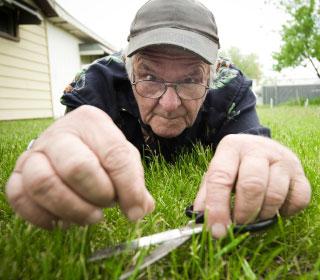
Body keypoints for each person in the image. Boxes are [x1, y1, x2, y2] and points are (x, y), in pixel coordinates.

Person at [6, 0, 311, 238]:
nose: (168, 104)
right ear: (128, 67)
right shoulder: (99, 81)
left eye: (191, 79)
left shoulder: (230, 86)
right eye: (149, 75)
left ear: (214, 71)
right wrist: (49, 152)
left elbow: (251, 145)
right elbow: (70, 140)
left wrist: (263, 157)